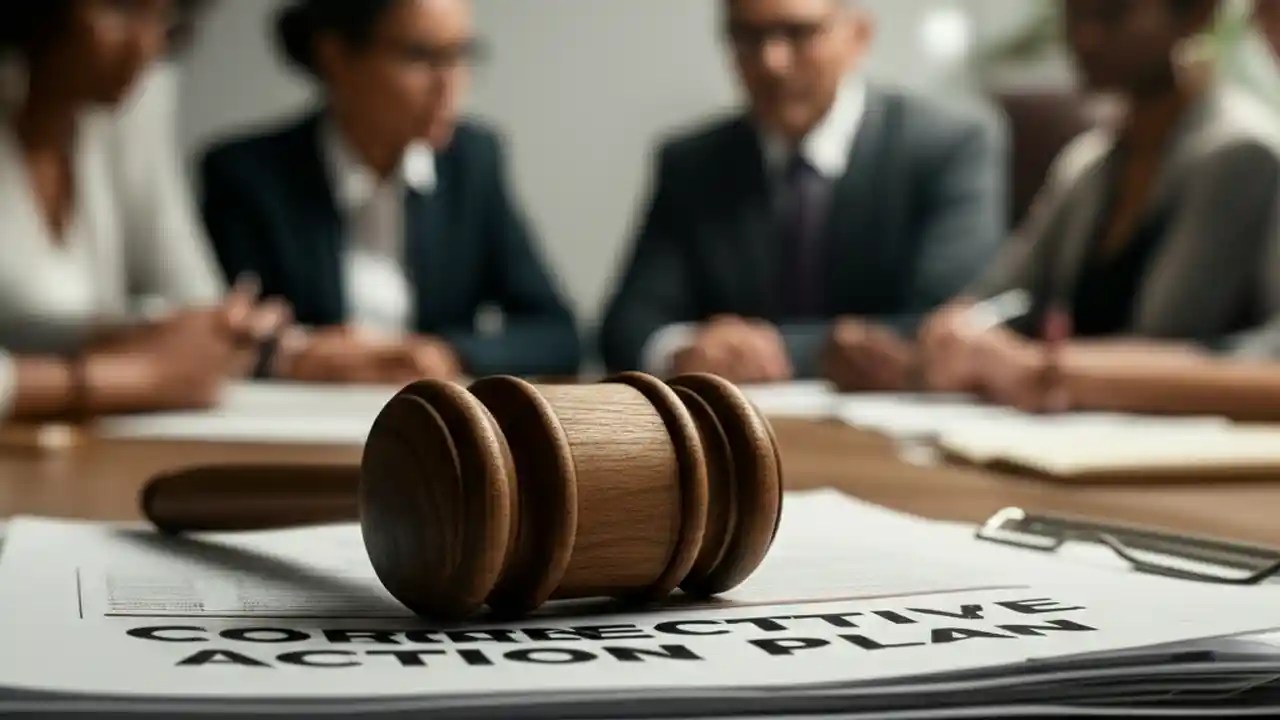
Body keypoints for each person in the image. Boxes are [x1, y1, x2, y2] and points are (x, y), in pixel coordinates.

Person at [831, 0, 1280, 407]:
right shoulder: (1091, 161)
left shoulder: (1242, 154)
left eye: (1110, 15)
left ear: (1195, 15)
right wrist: (955, 330)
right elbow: (1003, 291)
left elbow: (1179, 333)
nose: (1084, 38)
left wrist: (1033, 367)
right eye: (1073, 15)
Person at [599, 0, 1007, 383]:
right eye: (747, 37)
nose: (771, 62)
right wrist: (680, 350)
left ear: (858, 36)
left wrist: (778, 351)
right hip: (736, 432)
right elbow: (627, 324)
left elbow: (948, 319)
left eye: (798, 33)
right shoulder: (693, 163)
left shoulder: (948, 145)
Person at [200, 0, 581, 383]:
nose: (449, 84)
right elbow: (215, 330)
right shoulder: (248, 175)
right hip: (287, 425)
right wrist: (296, 354)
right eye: (421, 56)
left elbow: (557, 335)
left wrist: (446, 353)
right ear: (336, 58)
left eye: (461, 54)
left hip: (431, 425)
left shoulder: (473, 163)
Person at [0, 0, 286, 417]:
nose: (146, 44)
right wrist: (122, 380)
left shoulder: (128, 104)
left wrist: (273, 347)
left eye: (163, 17)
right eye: (121, 9)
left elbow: (193, 298)